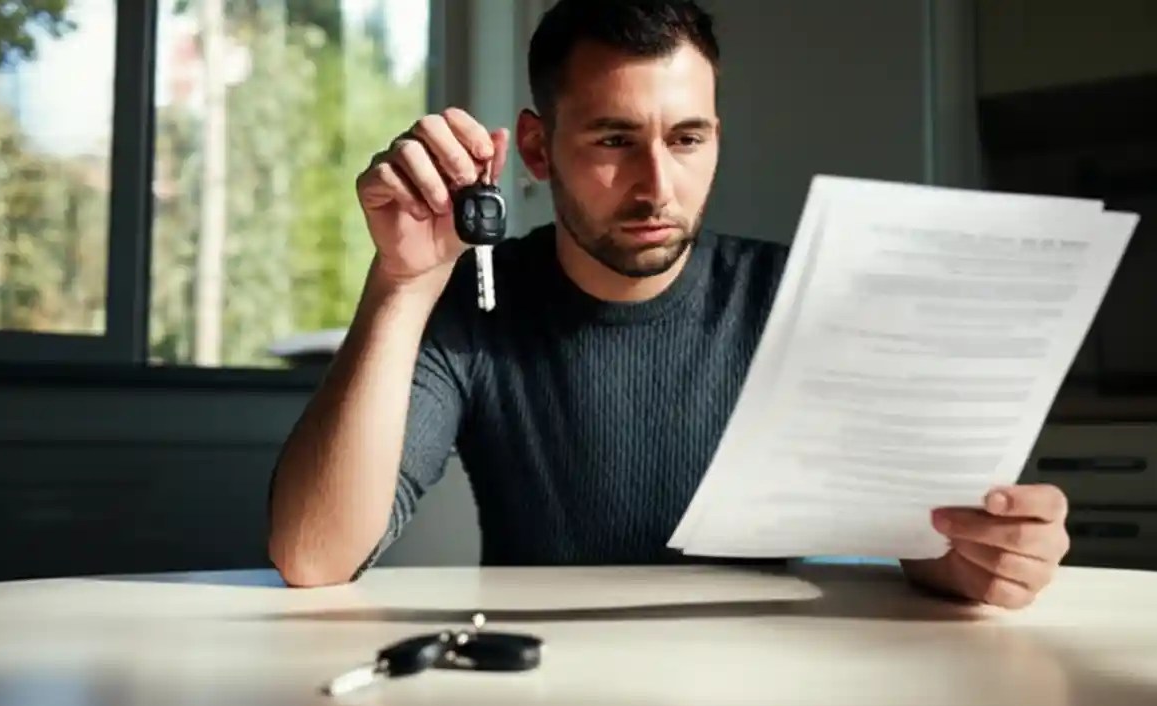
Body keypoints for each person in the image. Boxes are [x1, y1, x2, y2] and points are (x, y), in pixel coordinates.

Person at [267, 0, 1071, 609]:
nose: (657, 187)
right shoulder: (476, 303)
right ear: (539, 150)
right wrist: (401, 284)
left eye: (687, 140)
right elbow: (313, 555)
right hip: (548, 690)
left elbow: (931, 536)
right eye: (615, 141)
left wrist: (978, 555)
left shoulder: (801, 300)